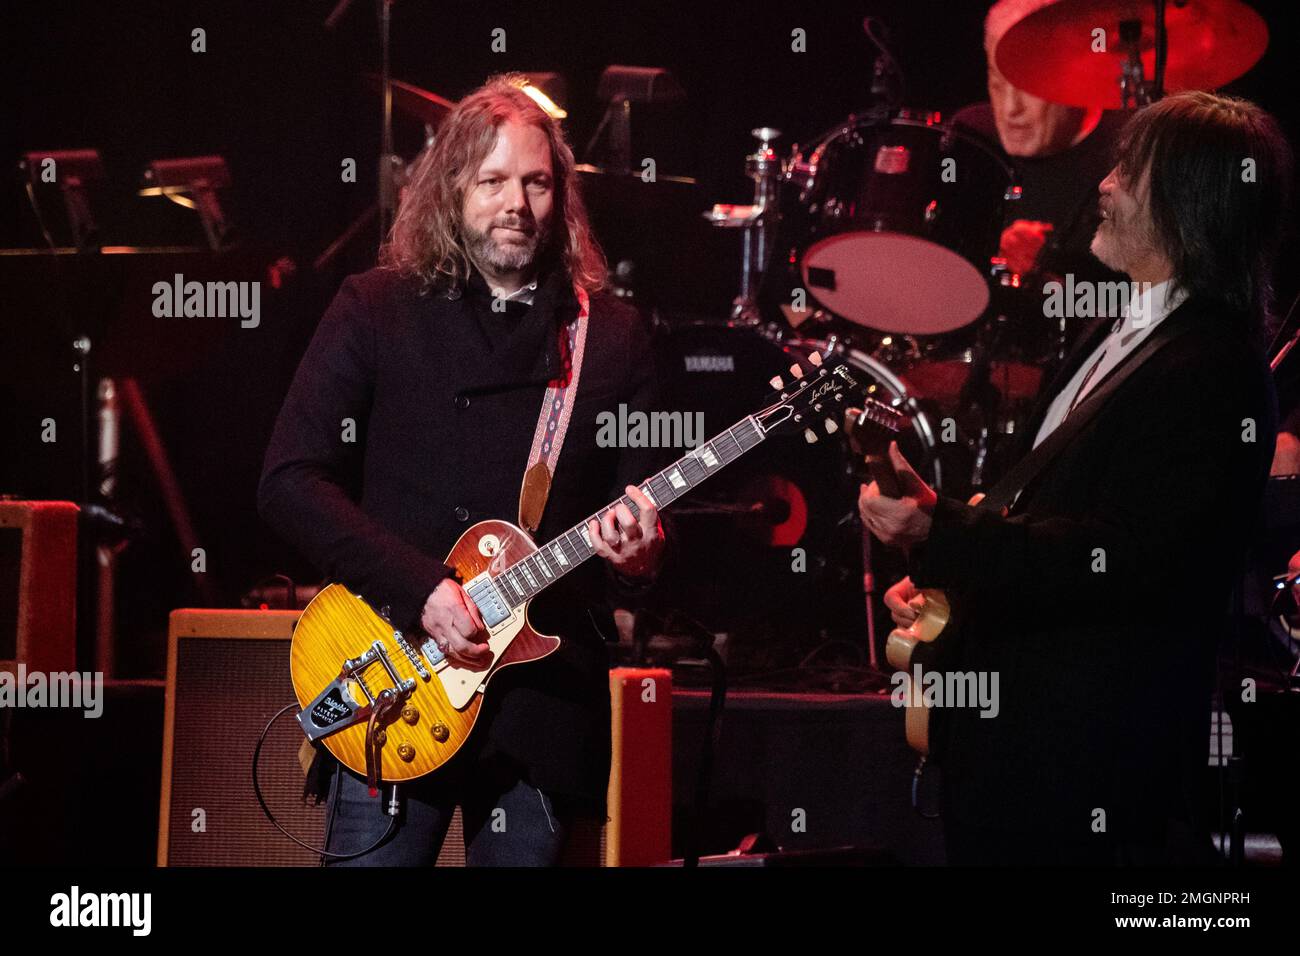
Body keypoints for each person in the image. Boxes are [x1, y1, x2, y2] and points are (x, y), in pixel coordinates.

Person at [861, 91, 1292, 864]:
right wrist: (946, 579)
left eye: (1129, 169)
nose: (1104, 184)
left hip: (1084, 769)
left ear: (1185, 200)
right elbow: (1050, 517)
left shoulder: (1213, 366)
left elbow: (1124, 559)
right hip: (1017, 759)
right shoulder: (1120, 333)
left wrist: (943, 532)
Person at [258, 74, 667, 866]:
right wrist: (421, 590)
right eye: (492, 181)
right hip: (394, 676)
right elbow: (289, 480)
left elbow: (638, 530)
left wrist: (642, 559)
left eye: (536, 182)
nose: (516, 202)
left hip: (542, 703)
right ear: (451, 189)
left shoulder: (611, 338)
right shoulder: (373, 308)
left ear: (562, 197)